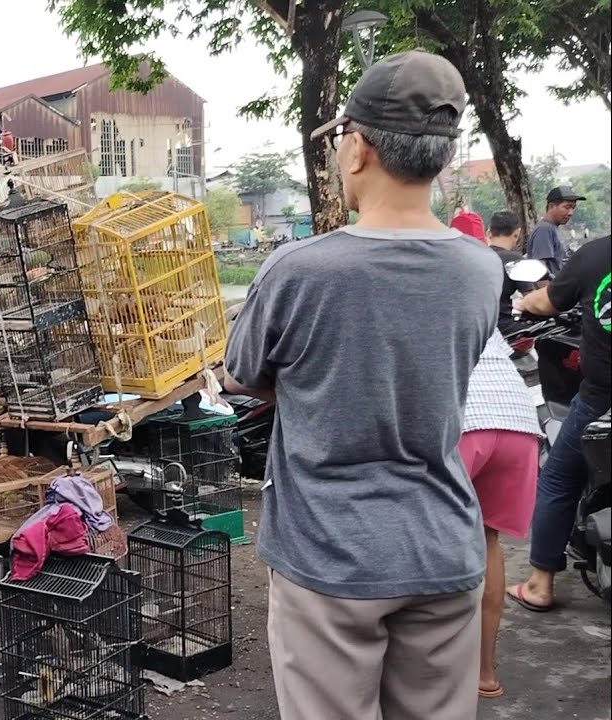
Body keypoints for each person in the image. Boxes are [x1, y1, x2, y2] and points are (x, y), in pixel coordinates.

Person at [224, 51, 499, 720]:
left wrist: (318, 387)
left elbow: (244, 376)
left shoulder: (299, 269)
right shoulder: (481, 269)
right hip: (444, 545)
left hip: (329, 554)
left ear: (357, 149)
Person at [508, 233, 612, 611]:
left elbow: (547, 300)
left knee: (557, 477)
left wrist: (525, 302)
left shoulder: (596, 254)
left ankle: (540, 584)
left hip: (600, 400)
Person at [458, 329, 542, 698]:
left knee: (429, 535)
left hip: (465, 421)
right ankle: (484, 674)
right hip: (517, 419)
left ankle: (421, 670)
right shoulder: (475, 300)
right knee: (488, 538)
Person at [485, 211, 532, 335]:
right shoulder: (515, 260)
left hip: (478, 328)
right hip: (504, 328)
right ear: (517, 233)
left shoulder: (476, 256)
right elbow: (531, 299)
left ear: (489, 233)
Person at [527, 185, 585, 275]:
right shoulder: (544, 230)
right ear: (551, 206)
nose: (570, 213)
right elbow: (540, 268)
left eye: (573, 208)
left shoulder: (553, 228)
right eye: (567, 207)